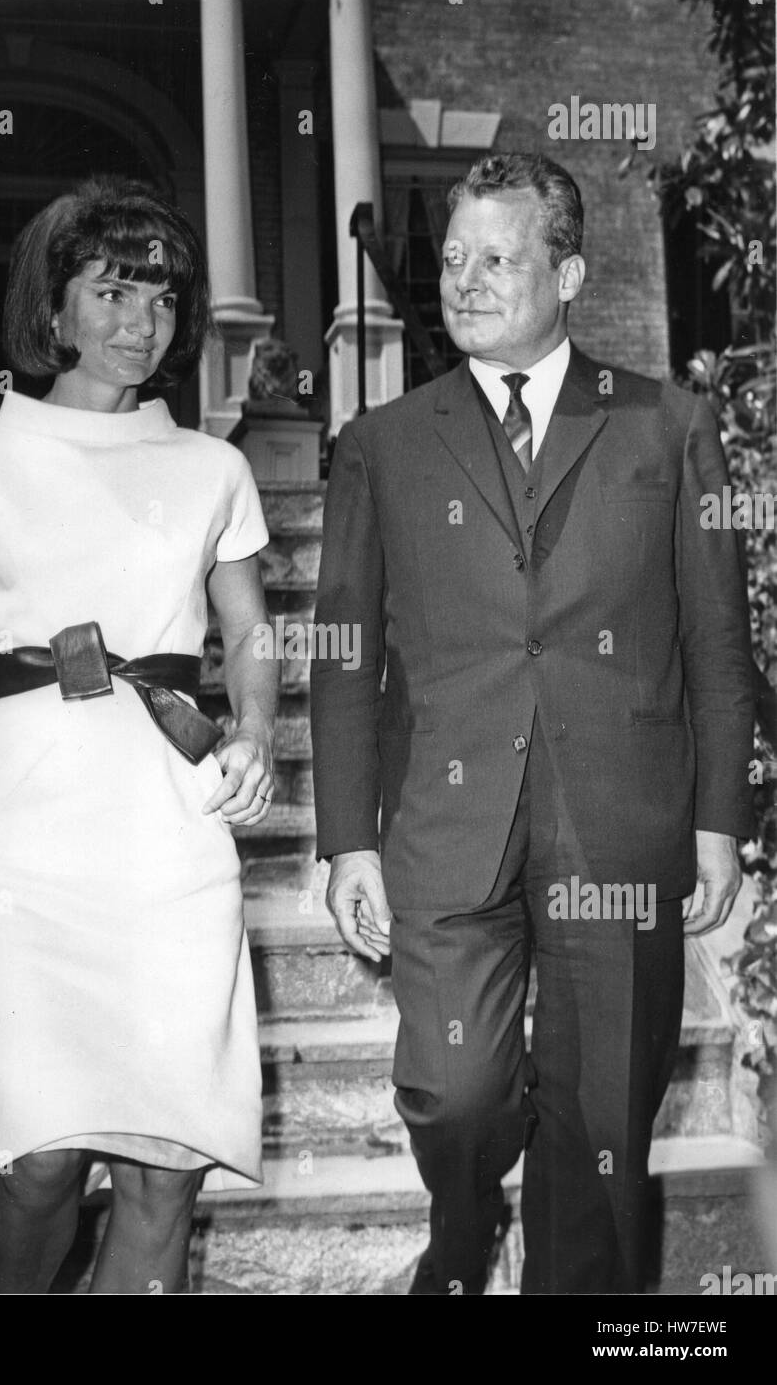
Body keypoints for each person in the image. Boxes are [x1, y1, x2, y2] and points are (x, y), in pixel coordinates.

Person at [311, 152, 755, 1295]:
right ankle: (463, 1232)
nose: (464, 279)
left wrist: (718, 824)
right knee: (454, 1097)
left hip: (620, 817)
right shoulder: (383, 445)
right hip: (446, 820)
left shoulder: (666, 428)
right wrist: (347, 839)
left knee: (603, 1117)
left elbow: (716, 641)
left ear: (570, 273)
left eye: (497, 257)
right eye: (453, 257)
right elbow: (346, 652)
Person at [0, 177, 279, 1294]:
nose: (140, 322)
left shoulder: (214, 469)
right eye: (112, 291)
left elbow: (251, 640)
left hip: (170, 842)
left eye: (161, 297)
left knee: (163, 1169)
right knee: (39, 1158)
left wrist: (253, 730)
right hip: (18, 845)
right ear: (51, 310)